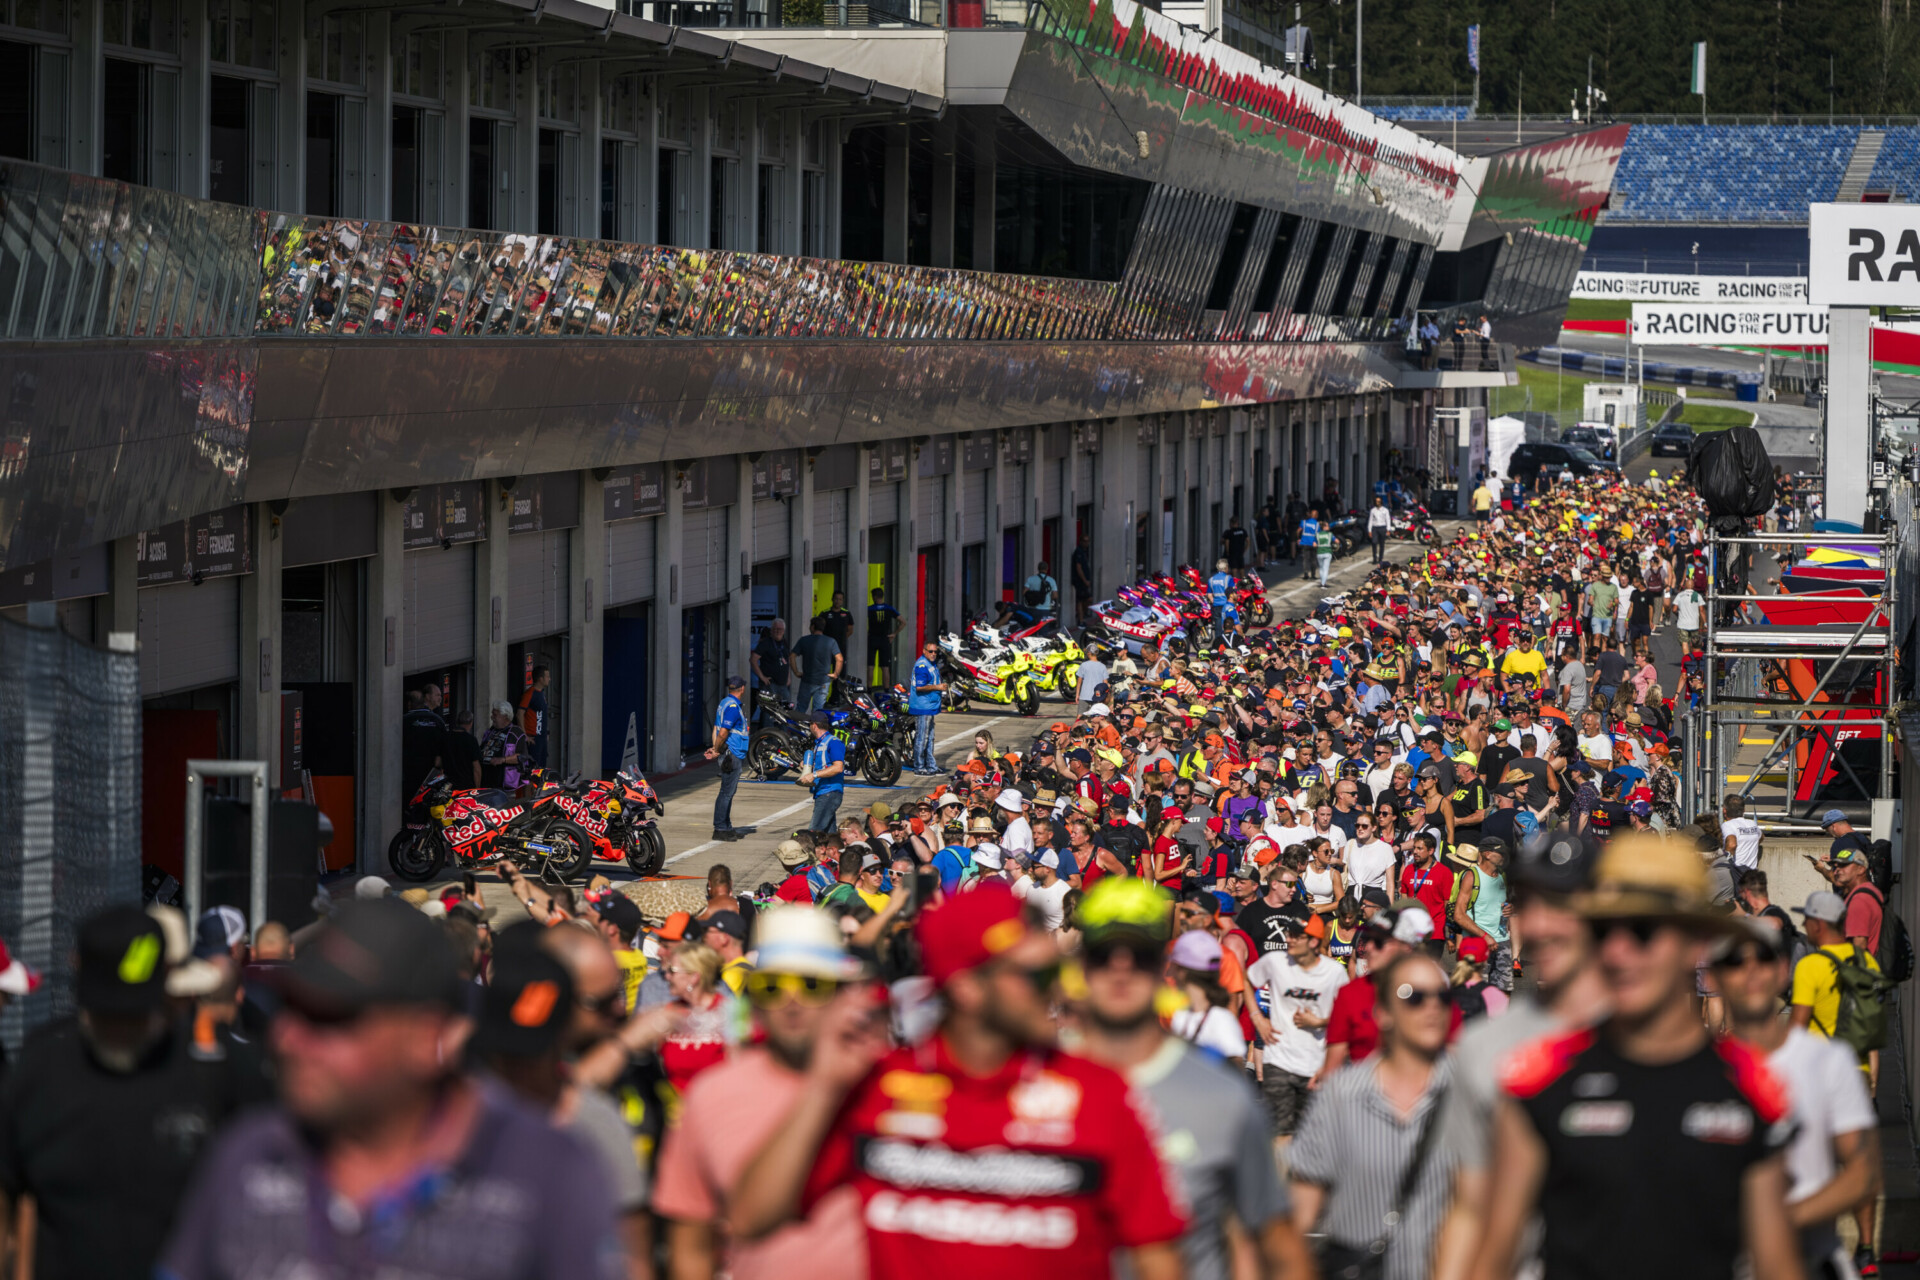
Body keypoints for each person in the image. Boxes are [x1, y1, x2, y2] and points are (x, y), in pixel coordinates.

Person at [730, 884, 1189, 1280]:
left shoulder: (1100, 1093)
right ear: (966, 987)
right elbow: (750, 1218)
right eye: (1037, 976)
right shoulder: (877, 1088)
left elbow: (1158, 1259)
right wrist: (822, 1087)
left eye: (1059, 972)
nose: (1059, 989)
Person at [159, 899, 622, 1280]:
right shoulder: (250, 1158)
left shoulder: (545, 1176)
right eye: (290, 1009)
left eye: (331, 1019)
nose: (287, 1038)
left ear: (426, 1037)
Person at [1468, 834, 1802, 1280]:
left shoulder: (1754, 1088)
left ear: (1695, 944)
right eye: (1603, 931)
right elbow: (1492, 1256)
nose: (1617, 952)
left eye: (1642, 931)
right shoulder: (1540, 1077)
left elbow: (1777, 1263)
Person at [0, 907, 265, 1280]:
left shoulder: (220, 1067)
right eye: (109, 1016)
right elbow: (11, 1200)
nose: (123, 1030)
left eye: (137, 1015)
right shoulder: (42, 1068)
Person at [1073, 878, 1310, 1280]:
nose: (1121, 966)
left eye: (1139, 954)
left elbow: (1275, 1247)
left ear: (1163, 965)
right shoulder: (1032, 1086)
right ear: (1080, 966)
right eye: (1103, 954)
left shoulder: (1224, 1099)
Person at [654, 907, 868, 1280]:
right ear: (753, 995)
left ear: (844, 993)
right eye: (772, 986)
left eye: (811, 985)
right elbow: (690, 1247)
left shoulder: (885, 1085)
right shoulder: (712, 1095)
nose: (791, 1000)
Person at [473, 934, 653, 1280]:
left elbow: (633, 1258)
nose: (619, 1008)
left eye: (618, 993)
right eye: (601, 1001)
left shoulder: (605, 1108)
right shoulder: (462, 1109)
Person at [1712, 918, 1882, 1280]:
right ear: (1716, 978)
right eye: (1735, 961)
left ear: (1782, 971)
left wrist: (1778, 1221)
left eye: (1763, 957)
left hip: (1814, 1262)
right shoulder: (1699, 1071)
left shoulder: (1829, 1061)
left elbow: (1865, 1172)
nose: (1751, 969)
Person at [1291, 950, 1458, 1280]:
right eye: (1414, 996)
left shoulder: (1470, 1092)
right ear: (1383, 1013)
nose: (1432, 1007)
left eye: (1442, 996)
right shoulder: (1341, 1095)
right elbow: (1300, 1212)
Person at [1246, 914, 1348, 1146]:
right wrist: (1257, 1018)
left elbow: (1345, 1017)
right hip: (1278, 1060)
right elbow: (1247, 978)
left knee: (1310, 1136)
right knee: (1280, 1132)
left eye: (1295, 936)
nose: (1288, 939)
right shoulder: (1275, 961)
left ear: (1313, 942)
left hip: (1315, 1064)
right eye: (1288, 934)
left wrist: (1319, 1022)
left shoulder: (1334, 973)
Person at [706, 674, 751, 842]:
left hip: (728, 753)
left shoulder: (724, 703)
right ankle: (720, 828)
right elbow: (723, 732)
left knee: (728, 792)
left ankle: (726, 826)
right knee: (726, 793)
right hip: (732, 755)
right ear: (742, 689)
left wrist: (715, 748)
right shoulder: (732, 707)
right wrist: (717, 749)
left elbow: (716, 728)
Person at [802, 710, 848, 833]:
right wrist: (808, 767)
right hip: (823, 792)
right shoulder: (820, 743)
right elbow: (824, 766)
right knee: (829, 836)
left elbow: (838, 767)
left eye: (809, 724)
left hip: (829, 793)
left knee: (814, 833)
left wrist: (814, 774)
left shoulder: (833, 742)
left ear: (814, 726)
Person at [400, 683, 447, 802]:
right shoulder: (438, 720)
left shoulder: (403, 720)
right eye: (437, 695)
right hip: (429, 773)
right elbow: (444, 746)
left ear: (409, 705)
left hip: (408, 771)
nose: (440, 698)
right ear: (427, 697)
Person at [907, 639, 945, 775]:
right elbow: (920, 687)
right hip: (922, 707)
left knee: (930, 738)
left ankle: (931, 765)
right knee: (922, 738)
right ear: (924, 651)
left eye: (935, 652)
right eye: (931, 651)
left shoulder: (931, 664)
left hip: (930, 706)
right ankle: (919, 766)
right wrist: (938, 687)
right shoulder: (922, 666)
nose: (933, 654)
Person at [791, 617, 843, 713]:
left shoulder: (804, 640)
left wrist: (796, 672)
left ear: (813, 627)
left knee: (801, 709)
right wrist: (835, 674)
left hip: (807, 680)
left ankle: (798, 723)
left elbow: (792, 656)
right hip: (823, 681)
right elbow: (840, 659)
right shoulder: (831, 641)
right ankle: (815, 723)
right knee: (818, 711)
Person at [480, 701, 536, 790]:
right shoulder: (490, 731)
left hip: (503, 784)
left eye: (495, 715)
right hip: (485, 781)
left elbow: (522, 757)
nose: (492, 717)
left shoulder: (516, 732)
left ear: (505, 716)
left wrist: (503, 759)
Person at [519, 665, 553, 770]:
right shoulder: (530, 693)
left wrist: (546, 733)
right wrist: (524, 735)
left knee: (542, 769)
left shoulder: (541, 694)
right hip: (533, 738)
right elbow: (520, 713)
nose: (549, 679)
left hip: (542, 738)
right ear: (540, 679)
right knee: (533, 769)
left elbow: (542, 715)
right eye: (547, 676)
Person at [752, 618, 793, 705]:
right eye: (775, 629)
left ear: (783, 631)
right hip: (769, 684)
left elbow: (787, 661)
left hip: (783, 684)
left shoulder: (784, 643)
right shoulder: (765, 643)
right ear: (771, 630)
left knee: (786, 709)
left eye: (780, 629)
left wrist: (788, 677)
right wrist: (762, 677)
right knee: (769, 710)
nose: (777, 631)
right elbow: (753, 660)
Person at [867, 588, 902, 684]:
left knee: (870, 666)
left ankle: (869, 689)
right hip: (885, 639)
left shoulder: (870, 609)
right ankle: (886, 689)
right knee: (885, 667)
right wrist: (894, 633)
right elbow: (903, 622)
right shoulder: (889, 608)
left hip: (872, 638)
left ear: (874, 597)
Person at [1721, 794, 1764, 871]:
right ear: (1744, 810)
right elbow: (1761, 837)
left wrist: (1726, 864)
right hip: (1752, 873)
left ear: (1724, 810)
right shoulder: (1752, 824)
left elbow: (1731, 844)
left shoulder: (1727, 825)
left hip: (1737, 873)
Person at [443, 708, 484, 788]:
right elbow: (476, 769)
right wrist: (477, 789)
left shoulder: (445, 738)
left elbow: (438, 763)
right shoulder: (471, 740)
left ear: (457, 722)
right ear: (471, 723)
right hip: (466, 786)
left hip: (448, 786)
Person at [1367, 495, 1392, 564]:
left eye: (1379, 501)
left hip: (1382, 527)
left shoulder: (1385, 510)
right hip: (1375, 528)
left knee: (1381, 544)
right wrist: (1369, 530)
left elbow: (1388, 520)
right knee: (1374, 542)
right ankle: (1374, 558)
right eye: (1376, 501)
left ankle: (1380, 558)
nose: (1377, 503)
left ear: (1381, 502)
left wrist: (1388, 529)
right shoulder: (1373, 510)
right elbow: (1370, 520)